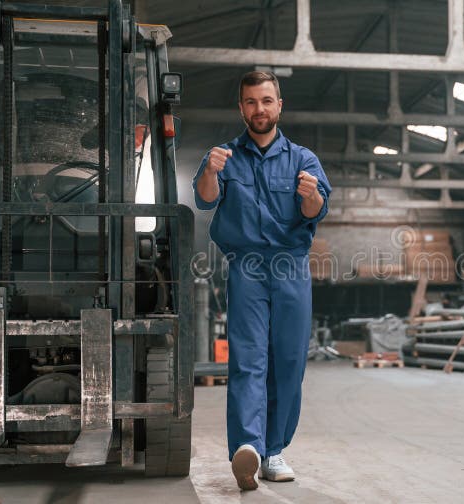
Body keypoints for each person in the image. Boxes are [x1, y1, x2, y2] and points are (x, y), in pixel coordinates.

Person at [192, 71, 331, 491]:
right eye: (251, 102)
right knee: (248, 359)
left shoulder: (303, 160)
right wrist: (211, 171)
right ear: (241, 108)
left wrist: (310, 196)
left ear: (279, 105)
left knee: (288, 362)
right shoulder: (224, 156)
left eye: (266, 101)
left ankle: (275, 451)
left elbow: (315, 211)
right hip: (247, 268)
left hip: (290, 266)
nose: (259, 109)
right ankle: (248, 449)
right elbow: (205, 197)